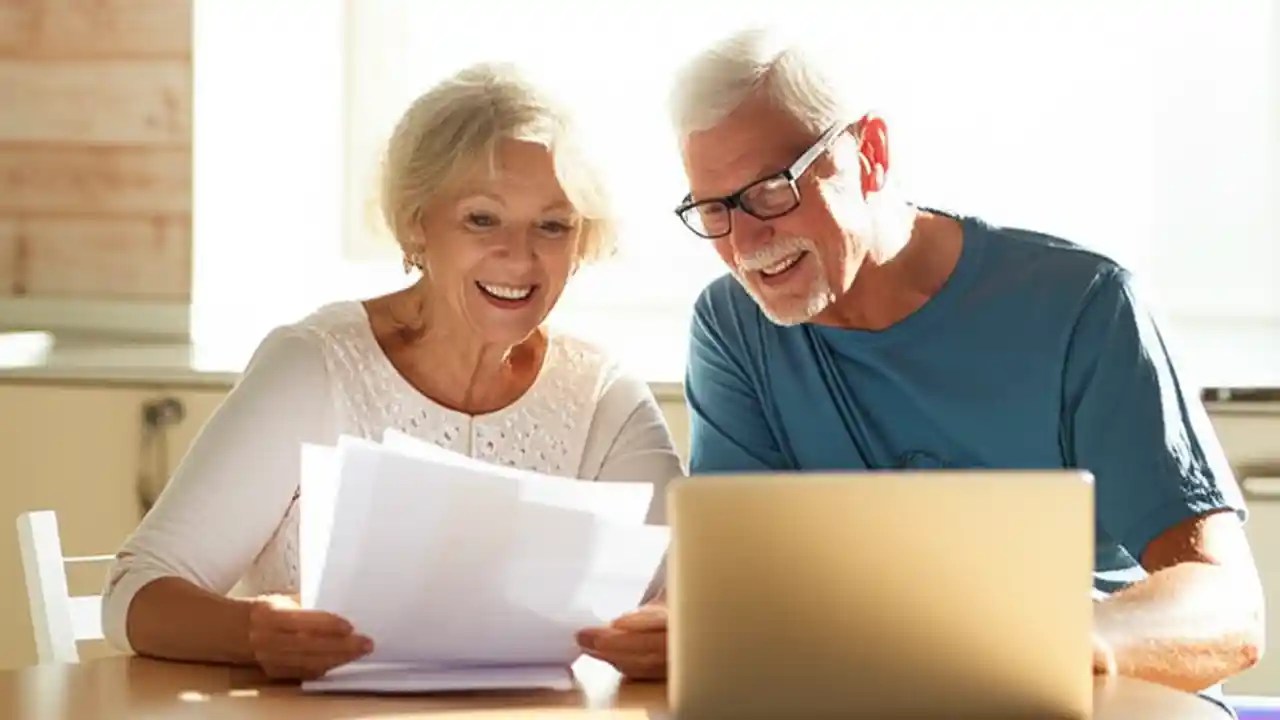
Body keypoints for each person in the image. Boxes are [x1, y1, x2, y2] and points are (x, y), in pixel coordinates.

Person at [578, 26, 1266, 707]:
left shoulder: (1084, 305)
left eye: (769, 190)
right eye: (714, 209)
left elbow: (1227, 608)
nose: (745, 242)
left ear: (868, 153)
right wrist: (693, 623)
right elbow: (740, 582)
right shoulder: (734, 327)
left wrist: (1060, 645)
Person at [102, 62, 683, 681]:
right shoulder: (313, 365)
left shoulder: (601, 393)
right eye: (482, 219)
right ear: (416, 222)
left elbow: (702, 584)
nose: (520, 255)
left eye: (553, 224)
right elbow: (134, 597)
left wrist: (676, 625)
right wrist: (253, 632)